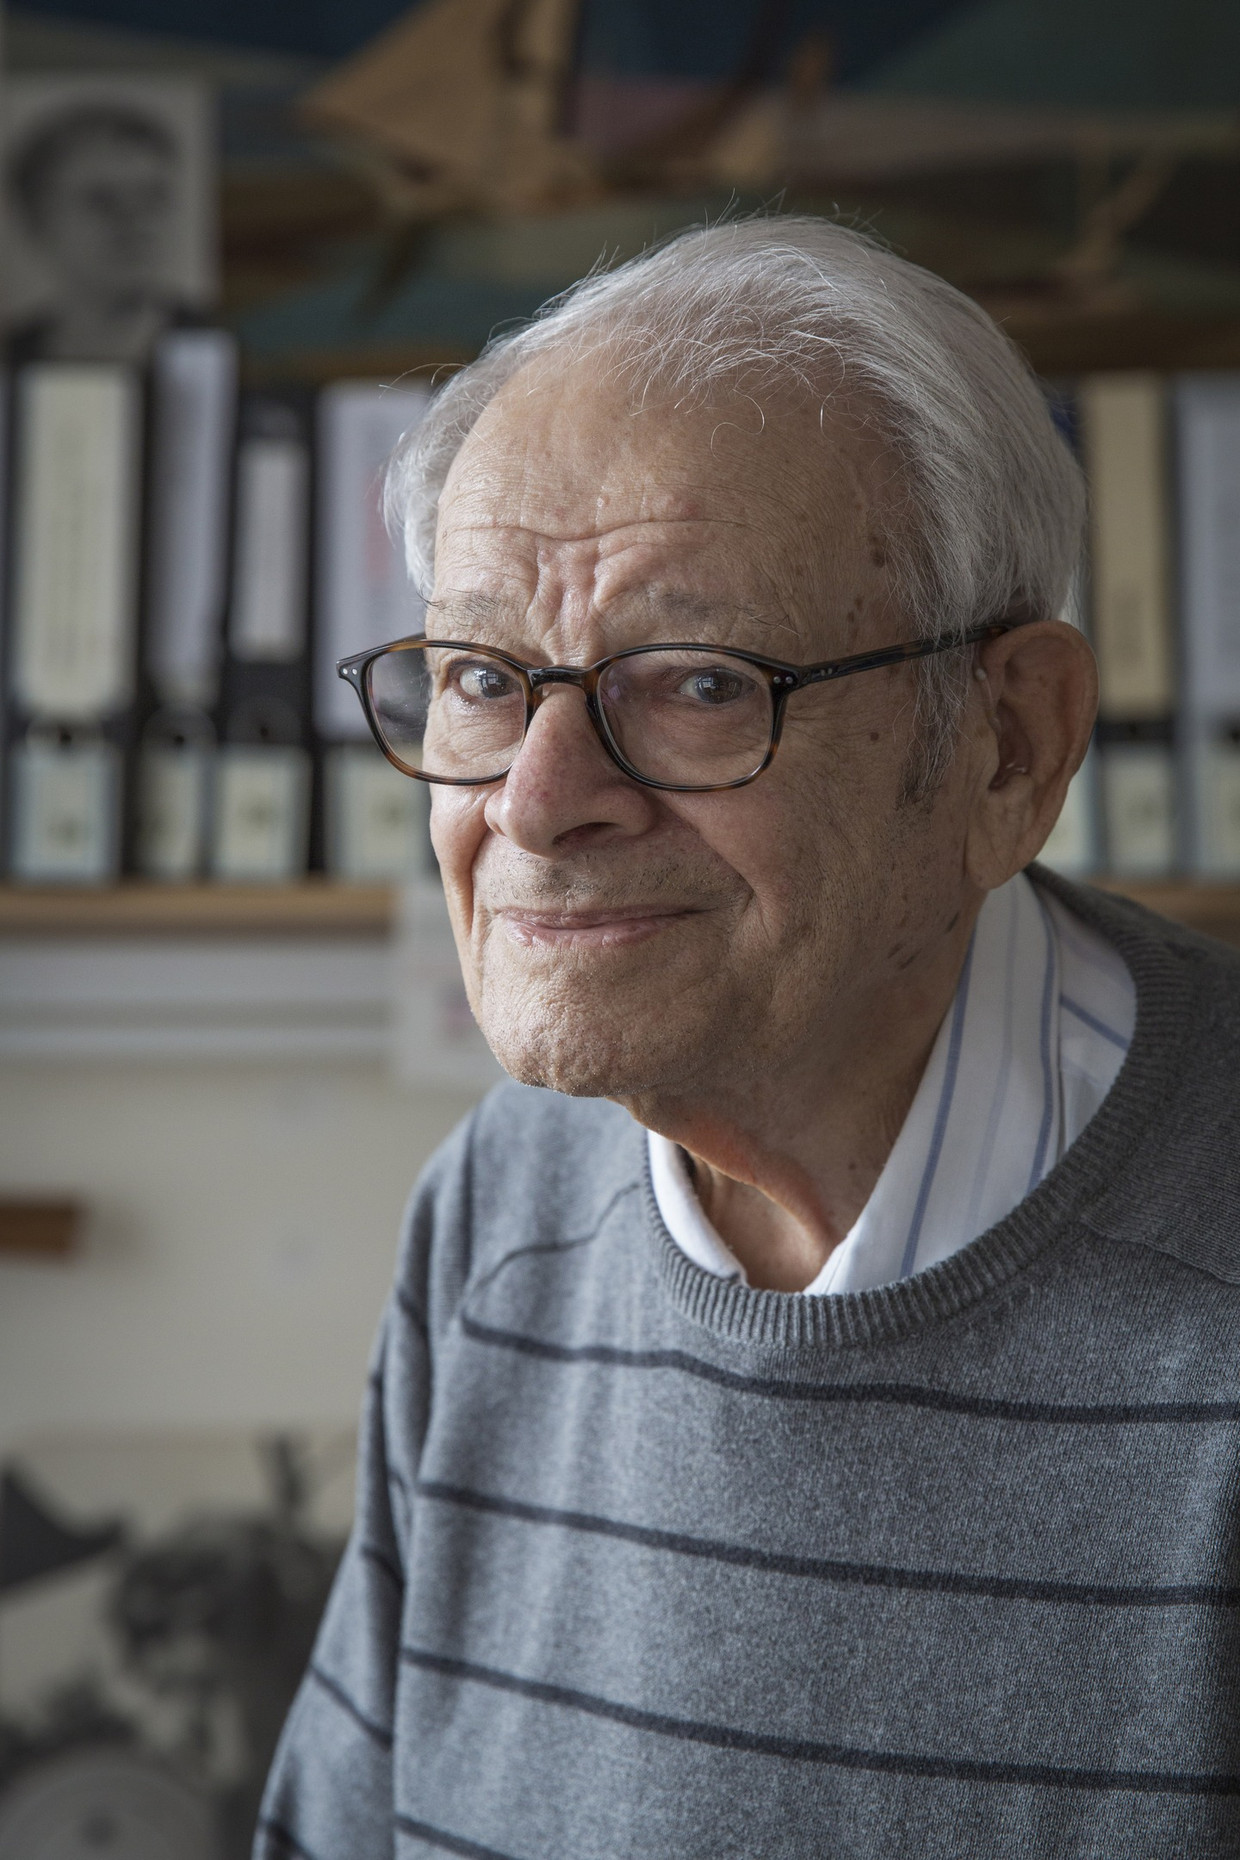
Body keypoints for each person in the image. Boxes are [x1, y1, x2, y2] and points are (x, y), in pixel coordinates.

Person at [256, 220, 1240, 1860]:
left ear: (1010, 743)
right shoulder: (500, 1211)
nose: (539, 806)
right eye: (486, 679)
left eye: (700, 685)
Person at [5, 102, 191, 363]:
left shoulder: (217, 340)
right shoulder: (13, 354)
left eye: (153, 198)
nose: (136, 222)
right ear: (38, 222)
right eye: (102, 201)